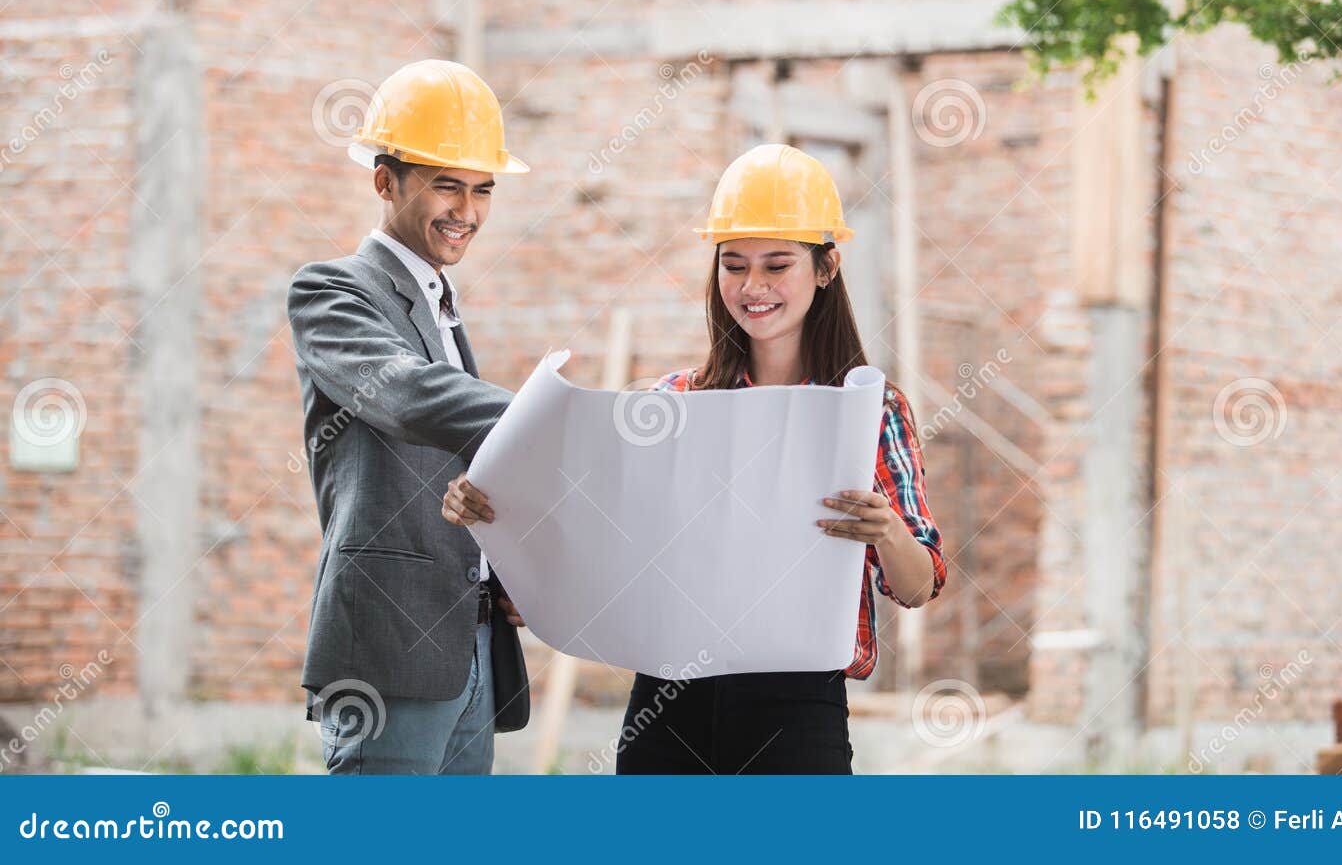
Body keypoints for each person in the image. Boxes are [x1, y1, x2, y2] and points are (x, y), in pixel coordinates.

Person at [442, 143, 945, 774]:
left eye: (776, 265)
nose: (752, 287)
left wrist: (888, 532)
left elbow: (918, 585)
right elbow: (604, 542)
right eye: (734, 265)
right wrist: (497, 511)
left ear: (825, 267)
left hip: (797, 710)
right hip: (666, 704)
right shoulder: (672, 403)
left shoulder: (870, 409)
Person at [288, 59, 531, 774]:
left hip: (471, 646)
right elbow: (402, 391)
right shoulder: (332, 290)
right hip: (390, 644)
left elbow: (461, 469)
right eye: (447, 184)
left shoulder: (441, 304)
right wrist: (548, 419)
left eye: (482, 189)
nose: (469, 210)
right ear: (384, 180)